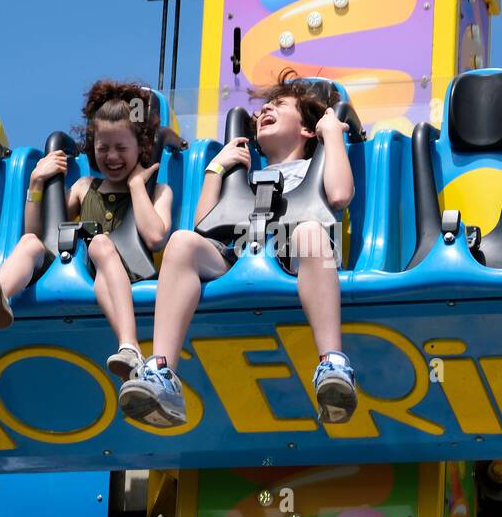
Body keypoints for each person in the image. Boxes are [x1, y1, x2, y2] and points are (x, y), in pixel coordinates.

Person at [117, 72, 358, 429]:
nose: (266, 111)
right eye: (264, 108)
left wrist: (333, 134)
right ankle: (161, 371)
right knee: (182, 242)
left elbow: (339, 195)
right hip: (244, 253)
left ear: (307, 130)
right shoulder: (243, 179)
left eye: (278, 105)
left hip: (303, 255)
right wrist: (218, 168)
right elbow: (206, 224)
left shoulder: (314, 165)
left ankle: (333, 362)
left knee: (310, 232)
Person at [0, 80, 172, 390]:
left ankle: (129, 346)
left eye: (121, 148)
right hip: (76, 266)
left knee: (101, 245)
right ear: (92, 147)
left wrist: (135, 188)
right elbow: (41, 233)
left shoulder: (158, 190)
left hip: (124, 268)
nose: (112, 156)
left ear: (140, 148)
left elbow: (156, 236)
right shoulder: (83, 187)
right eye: (103, 148)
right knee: (28, 243)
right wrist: (36, 184)